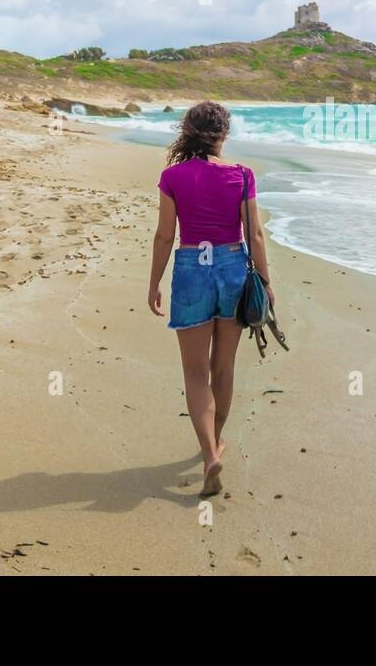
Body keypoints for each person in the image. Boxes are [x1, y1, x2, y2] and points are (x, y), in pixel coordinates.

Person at [147, 101, 274, 496]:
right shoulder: (242, 175)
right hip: (234, 268)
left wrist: (154, 282)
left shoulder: (173, 177)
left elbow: (166, 234)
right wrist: (267, 283)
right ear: (224, 134)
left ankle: (210, 454)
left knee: (194, 372)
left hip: (190, 269)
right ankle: (215, 444)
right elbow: (254, 235)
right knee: (224, 369)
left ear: (188, 131)